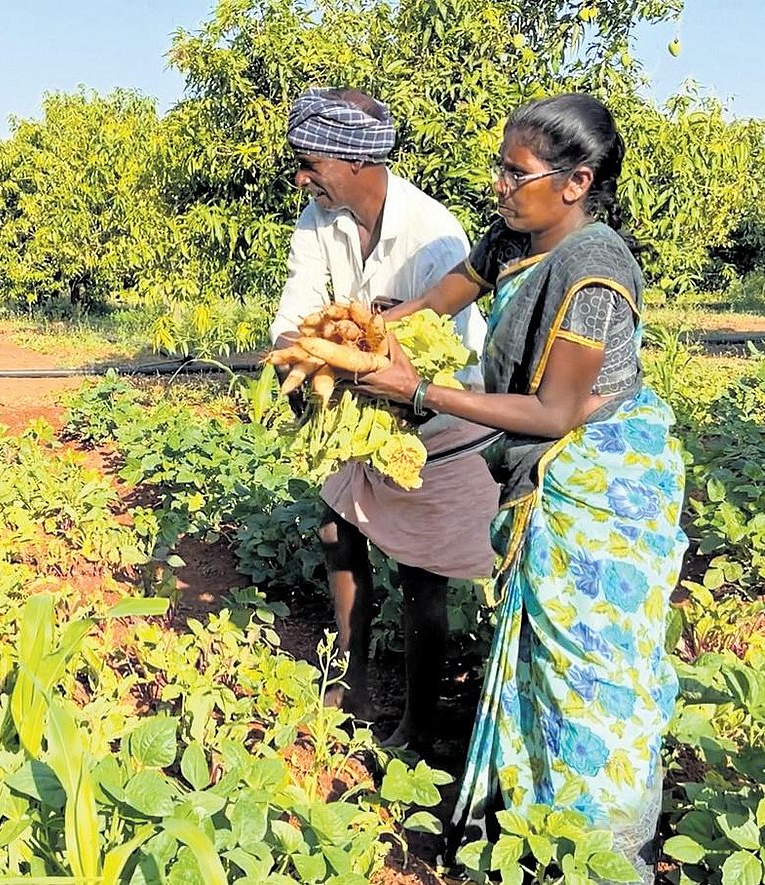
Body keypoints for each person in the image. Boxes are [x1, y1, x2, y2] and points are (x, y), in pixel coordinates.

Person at [356, 93, 686, 880]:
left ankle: (603, 853)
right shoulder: (516, 239)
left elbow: (554, 409)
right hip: (546, 470)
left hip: (599, 481)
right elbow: (440, 300)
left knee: (592, 676)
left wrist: (419, 393)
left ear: (576, 181)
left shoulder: (593, 271)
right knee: (537, 660)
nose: (499, 183)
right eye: (500, 166)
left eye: (517, 171)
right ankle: (535, 833)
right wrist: (363, 332)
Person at [272, 87, 501, 750]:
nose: (301, 176)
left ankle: (421, 724)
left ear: (355, 162)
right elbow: (298, 304)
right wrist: (298, 351)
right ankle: (353, 683)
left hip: (440, 412)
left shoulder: (433, 235)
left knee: (421, 571)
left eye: (310, 161)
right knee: (335, 529)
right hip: (358, 405)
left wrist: (350, 351)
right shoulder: (320, 217)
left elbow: (434, 356)